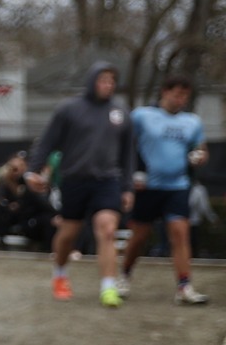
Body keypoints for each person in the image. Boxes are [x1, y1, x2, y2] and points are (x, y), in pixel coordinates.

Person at [30, 63, 132, 306]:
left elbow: (128, 153)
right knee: (69, 234)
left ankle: (108, 287)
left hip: (107, 181)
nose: (107, 85)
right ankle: (60, 274)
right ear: (92, 80)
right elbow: (47, 142)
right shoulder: (69, 109)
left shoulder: (121, 113)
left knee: (107, 229)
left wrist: (127, 187)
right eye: (102, 80)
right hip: (74, 180)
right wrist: (33, 171)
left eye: (111, 81)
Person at [119, 76, 208, 305]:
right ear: (165, 92)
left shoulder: (192, 121)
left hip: (177, 185)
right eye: (178, 94)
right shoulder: (143, 116)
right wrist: (133, 173)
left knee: (180, 233)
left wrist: (199, 156)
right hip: (147, 186)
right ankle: (124, 275)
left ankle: (184, 286)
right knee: (139, 237)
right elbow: (125, 143)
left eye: (185, 96)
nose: (181, 100)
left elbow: (201, 148)